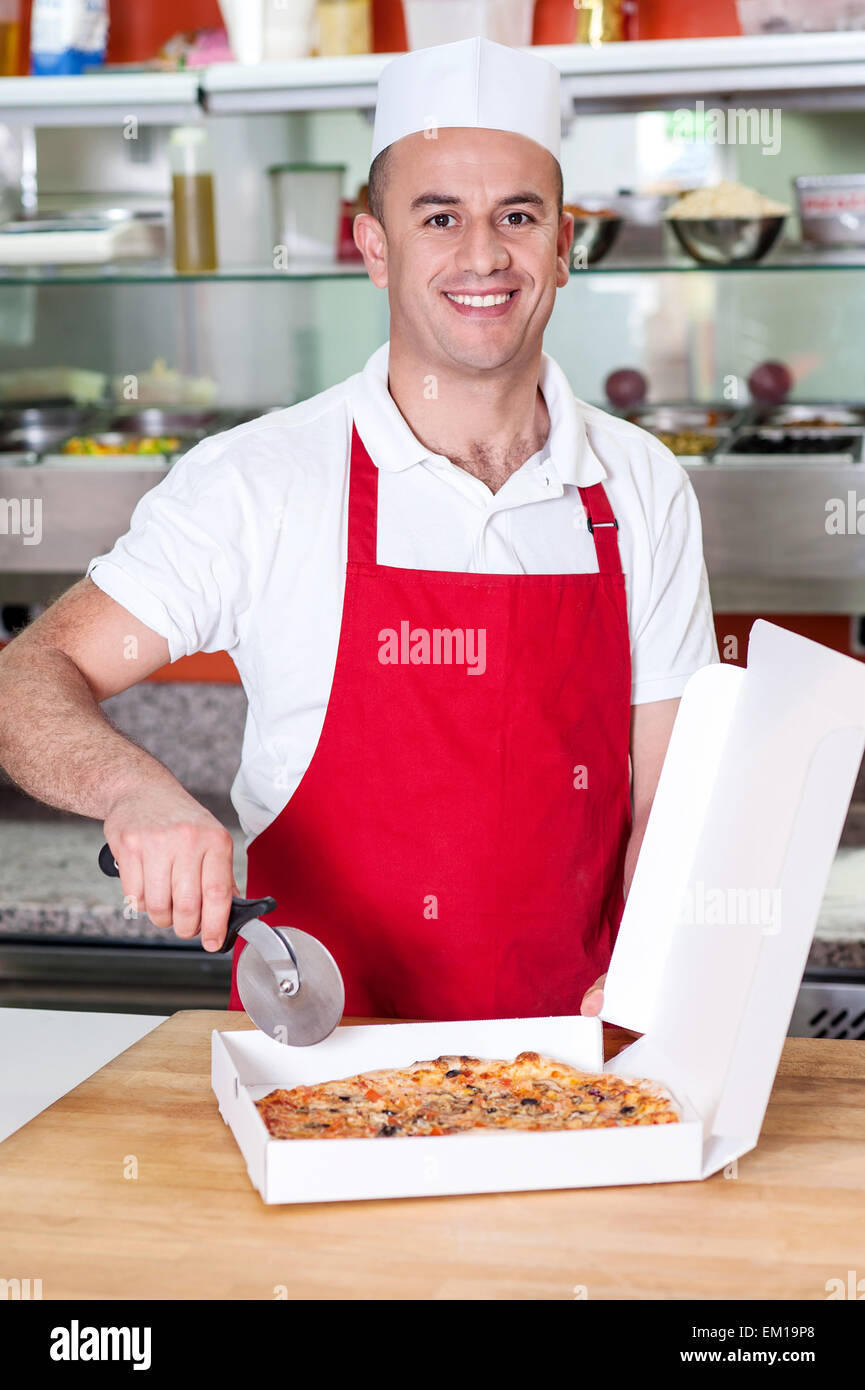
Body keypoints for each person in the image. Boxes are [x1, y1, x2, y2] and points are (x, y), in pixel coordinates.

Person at [0, 38, 718, 1022]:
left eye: (517, 215)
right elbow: (28, 676)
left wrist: (649, 970)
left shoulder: (639, 487)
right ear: (373, 247)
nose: (482, 255)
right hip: (323, 1073)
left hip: (578, 1067)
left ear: (563, 244)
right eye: (438, 217)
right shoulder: (260, 482)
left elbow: (667, 801)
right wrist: (135, 790)